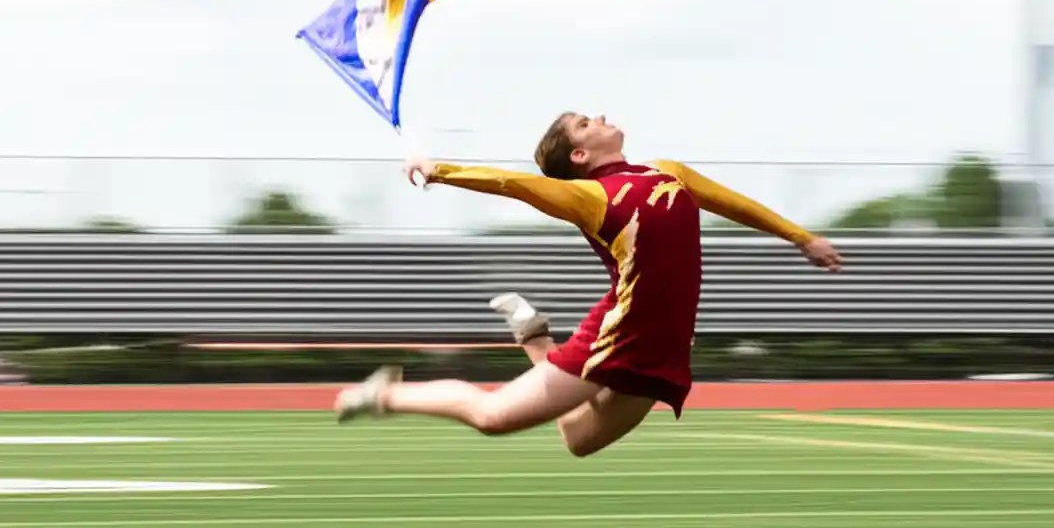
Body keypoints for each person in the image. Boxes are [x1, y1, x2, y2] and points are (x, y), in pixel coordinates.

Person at [334, 112, 842, 456]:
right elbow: (516, 184)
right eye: (584, 123)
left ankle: (534, 338)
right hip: (617, 341)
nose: (598, 116)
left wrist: (800, 237)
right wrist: (440, 170)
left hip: (660, 348)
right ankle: (385, 396)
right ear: (578, 156)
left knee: (578, 439)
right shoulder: (592, 197)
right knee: (492, 416)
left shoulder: (666, 172)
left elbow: (733, 203)